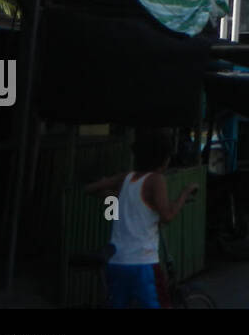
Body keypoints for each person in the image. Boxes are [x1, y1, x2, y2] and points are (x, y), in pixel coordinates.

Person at [84, 129, 198, 308]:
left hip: (116, 262)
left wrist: (109, 191)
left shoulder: (126, 178)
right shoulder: (156, 180)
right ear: (164, 159)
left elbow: (90, 189)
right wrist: (185, 193)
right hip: (142, 265)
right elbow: (168, 216)